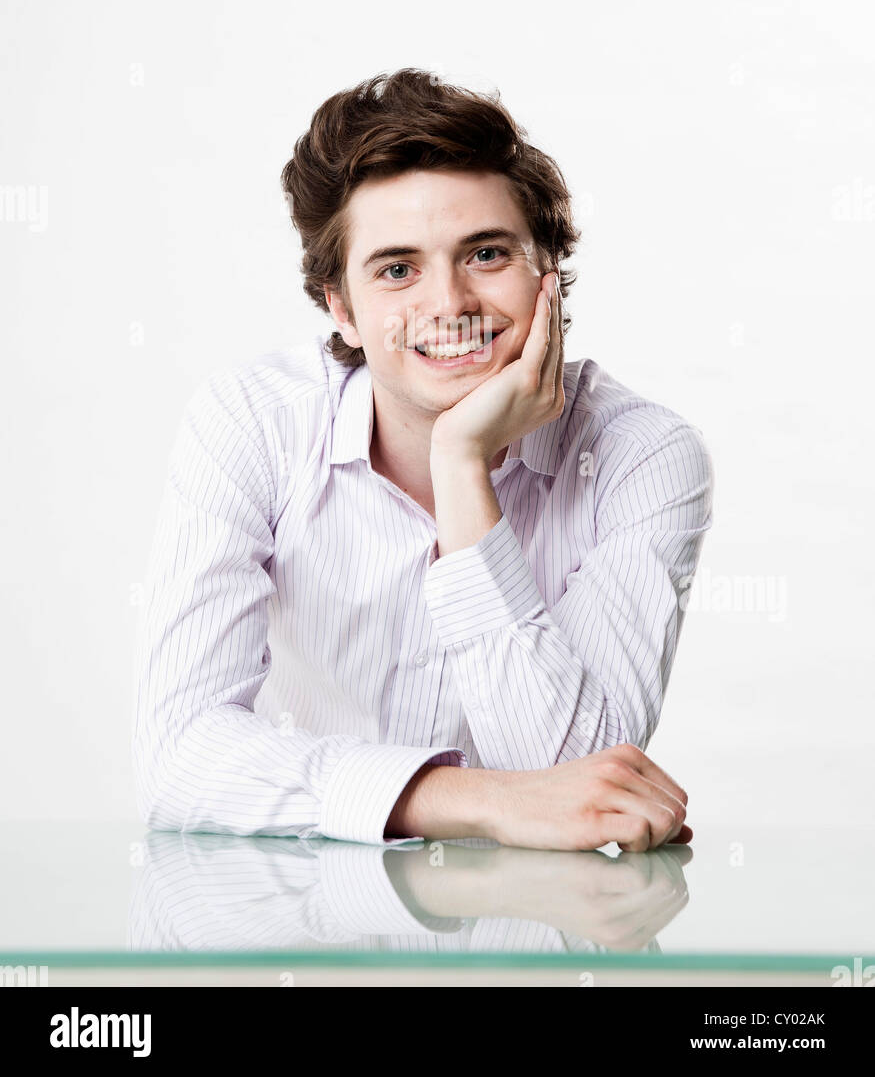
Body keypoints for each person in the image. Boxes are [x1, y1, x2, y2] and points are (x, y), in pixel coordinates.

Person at [133, 68, 713, 854]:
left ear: (548, 273)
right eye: (397, 269)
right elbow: (179, 759)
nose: (448, 304)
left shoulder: (640, 455)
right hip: (303, 931)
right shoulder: (253, 424)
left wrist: (461, 462)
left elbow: (581, 783)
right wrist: (469, 800)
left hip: (528, 946)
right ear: (341, 305)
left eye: (484, 253)